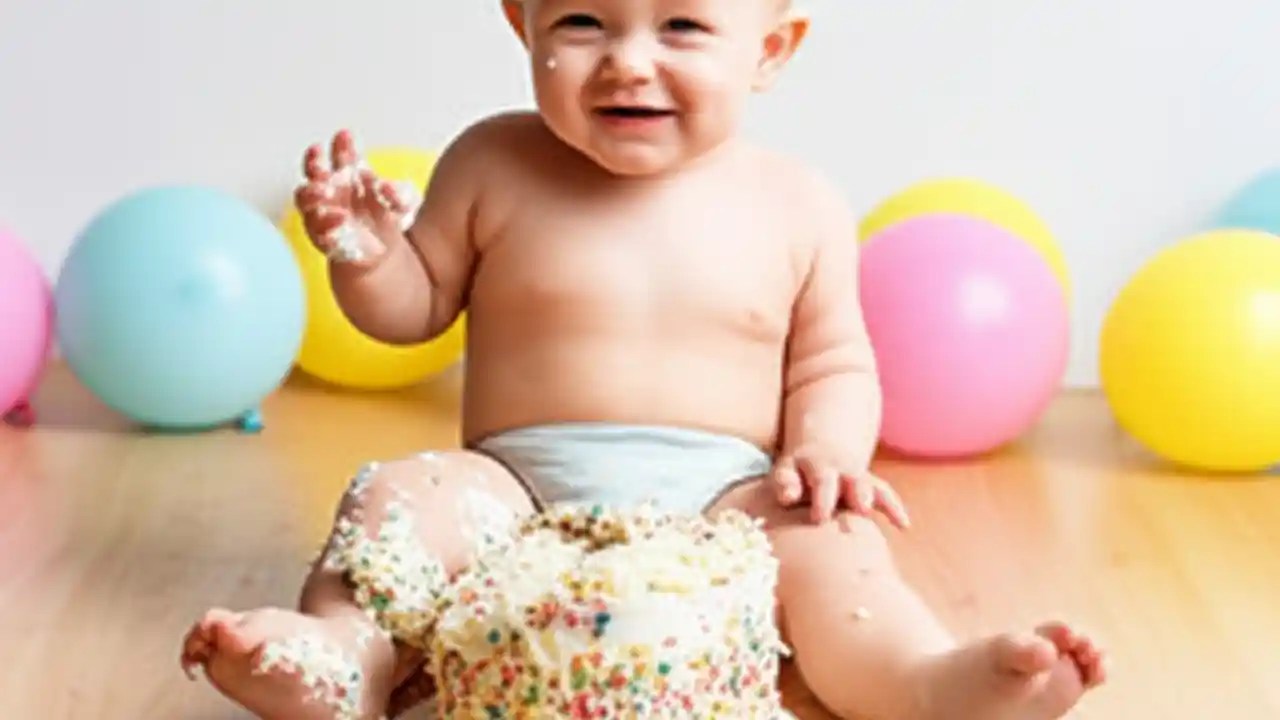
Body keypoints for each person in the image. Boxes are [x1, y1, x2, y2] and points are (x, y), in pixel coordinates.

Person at [180, 0, 1108, 718]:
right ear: (522, 20)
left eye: (682, 26)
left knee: (841, 561)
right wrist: (371, 253)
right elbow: (412, 310)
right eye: (583, 20)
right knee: (395, 502)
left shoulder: (797, 202)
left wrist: (827, 453)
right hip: (514, 487)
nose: (629, 60)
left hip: (732, 498)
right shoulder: (492, 162)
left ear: (771, 50)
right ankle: (348, 655)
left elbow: (833, 359)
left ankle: (922, 683)